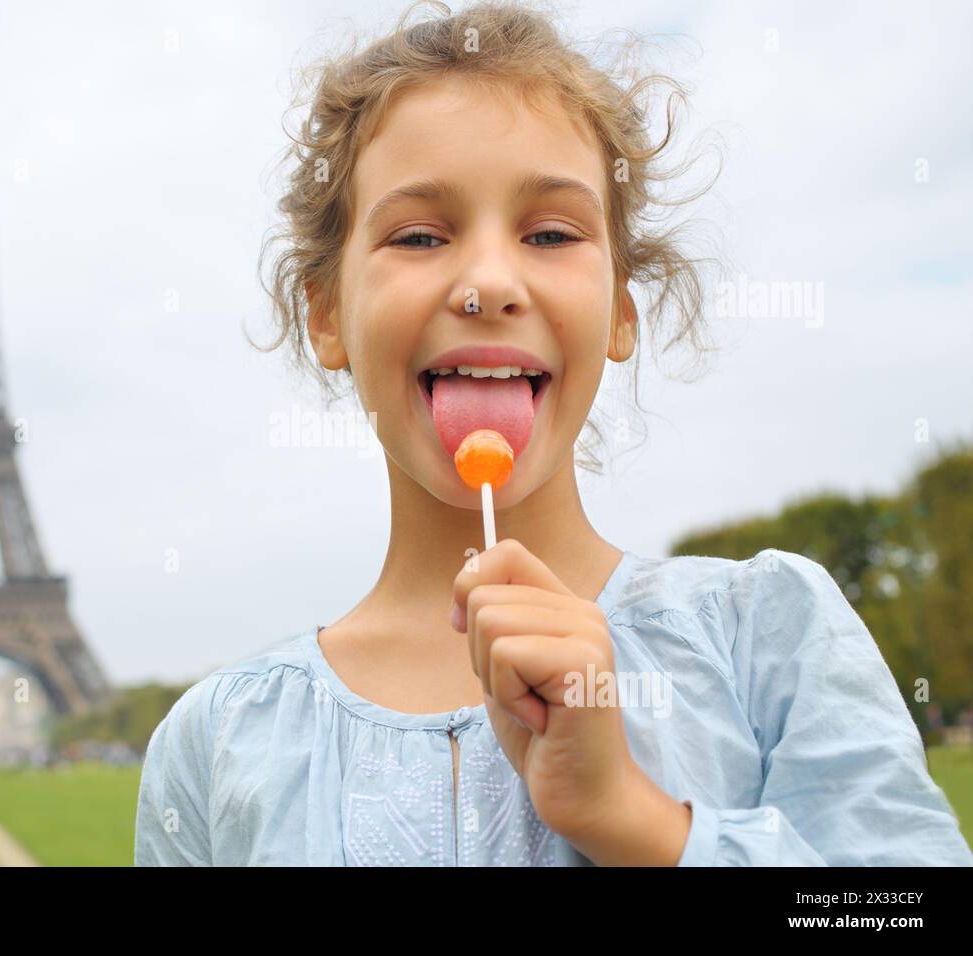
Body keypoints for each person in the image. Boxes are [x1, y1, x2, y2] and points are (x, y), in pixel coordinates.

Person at [134, 0, 973, 866]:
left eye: (550, 233)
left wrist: (632, 819)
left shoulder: (767, 636)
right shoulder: (215, 742)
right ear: (326, 315)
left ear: (618, 312)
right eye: (419, 235)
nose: (489, 282)